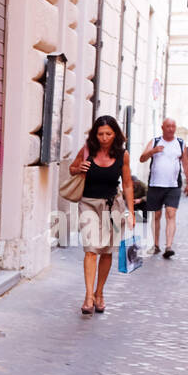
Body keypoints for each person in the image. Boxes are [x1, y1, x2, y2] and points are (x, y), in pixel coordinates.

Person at [70, 115, 135, 314]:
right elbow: (72, 168)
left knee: (106, 252)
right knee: (91, 249)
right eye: (100, 134)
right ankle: (89, 296)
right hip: (88, 204)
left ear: (115, 134)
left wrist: (131, 212)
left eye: (108, 133)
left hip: (112, 206)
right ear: (95, 134)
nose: (104, 138)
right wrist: (78, 168)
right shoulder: (88, 150)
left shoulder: (122, 155)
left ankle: (100, 293)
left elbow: (127, 184)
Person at [138, 118, 188, 258]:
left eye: (173, 126)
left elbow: (186, 164)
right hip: (155, 184)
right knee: (156, 216)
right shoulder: (155, 141)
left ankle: (168, 246)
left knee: (171, 213)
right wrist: (153, 151)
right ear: (162, 127)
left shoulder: (180, 143)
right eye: (168, 126)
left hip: (173, 186)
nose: (170, 129)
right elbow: (142, 158)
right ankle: (155, 245)